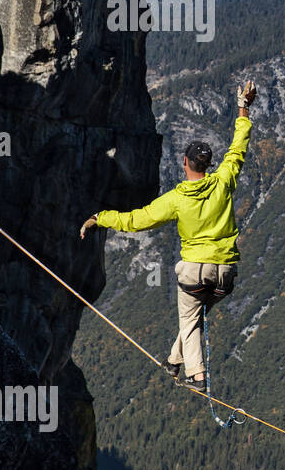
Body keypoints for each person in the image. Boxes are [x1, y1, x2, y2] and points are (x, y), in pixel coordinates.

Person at [81, 81, 257, 390]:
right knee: (194, 318)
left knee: (189, 321)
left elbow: (138, 220)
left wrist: (101, 217)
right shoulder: (224, 180)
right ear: (208, 165)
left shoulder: (176, 199)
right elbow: (238, 146)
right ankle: (175, 362)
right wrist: (244, 106)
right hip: (225, 274)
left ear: (185, 162)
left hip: (194, 270)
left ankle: (197, 376)